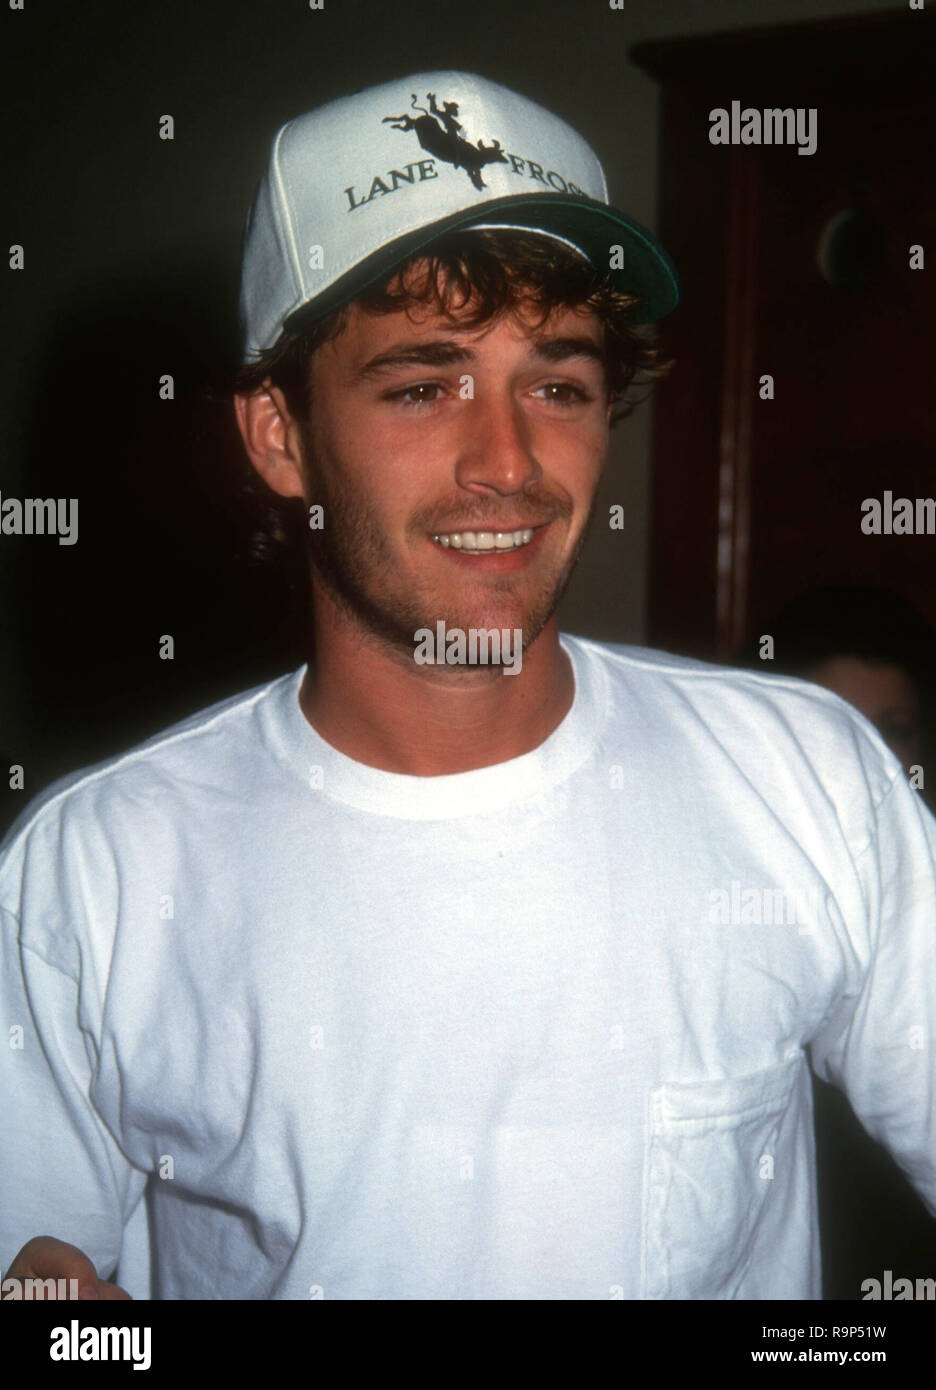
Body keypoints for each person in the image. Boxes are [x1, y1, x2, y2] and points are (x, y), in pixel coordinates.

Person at [1, 71, 934, 1302]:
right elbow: (45, 1280)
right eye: (420, 384)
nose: (507, 462)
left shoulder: (806, 780)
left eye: (557, 384)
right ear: (280, 435)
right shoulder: (98, 868)